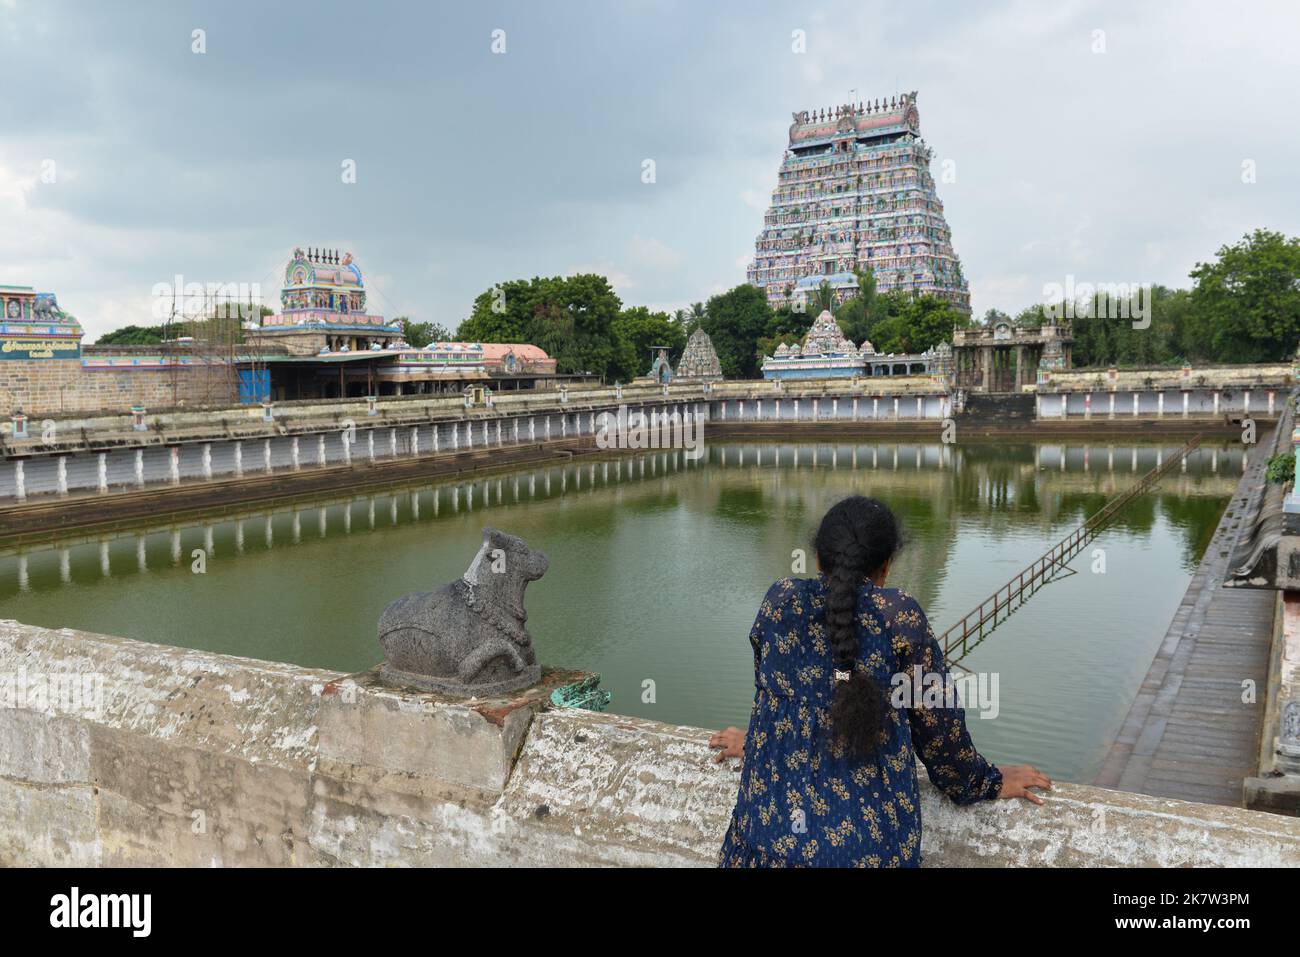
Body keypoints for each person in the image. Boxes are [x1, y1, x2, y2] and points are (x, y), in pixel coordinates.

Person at [711, 495, 1051, 867]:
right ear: (886, 567)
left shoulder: (779, 601)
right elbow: (938, 731)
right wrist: (983, 781)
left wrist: (760, 740)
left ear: (819, 558)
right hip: (864, 848)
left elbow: (776, 694)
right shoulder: (897, 618)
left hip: (763, 842)